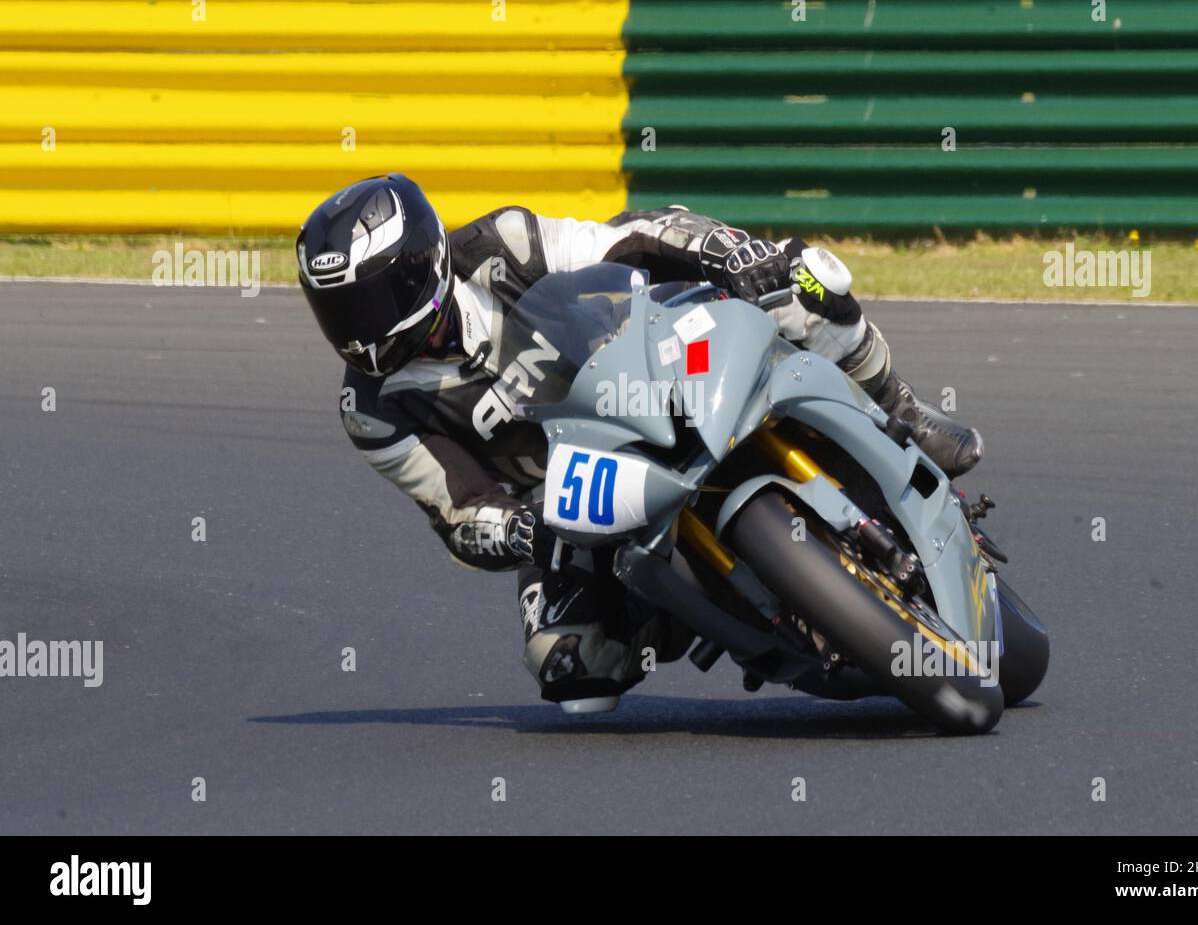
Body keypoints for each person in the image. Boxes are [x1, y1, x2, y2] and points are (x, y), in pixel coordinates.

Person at [296, 173, 982, 711]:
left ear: (418, 269)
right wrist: (517, 533)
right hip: (578, 504)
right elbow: (458, 506)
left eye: (368, 303)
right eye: (337, 310)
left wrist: (730, 254)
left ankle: (903, 408)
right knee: (569, 673)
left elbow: (625, 240)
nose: (356, 330)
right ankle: (699, 607)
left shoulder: (502, 243)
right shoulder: (372, 409)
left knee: (801, 277)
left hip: (651, 370)